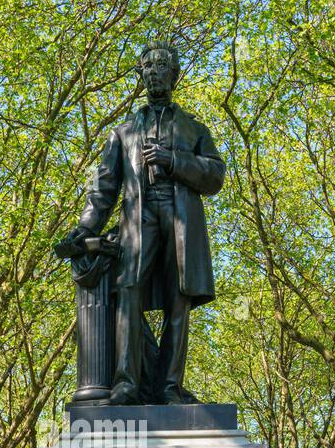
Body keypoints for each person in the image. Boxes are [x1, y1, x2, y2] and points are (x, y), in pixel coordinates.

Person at [61, 40, 225, 405]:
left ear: (175, 75)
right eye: (147, 67)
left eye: (161, 66)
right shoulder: (123, 132)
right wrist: (85, 228)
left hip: (181, 219)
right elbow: (104, 186)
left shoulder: (194, 129)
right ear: (141, 75)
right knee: (129, 293)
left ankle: (169, 387)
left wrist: (173, 160)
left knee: (177, 302)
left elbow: (215, 175)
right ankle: (126, 384)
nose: (153, 72)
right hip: (139, 217)